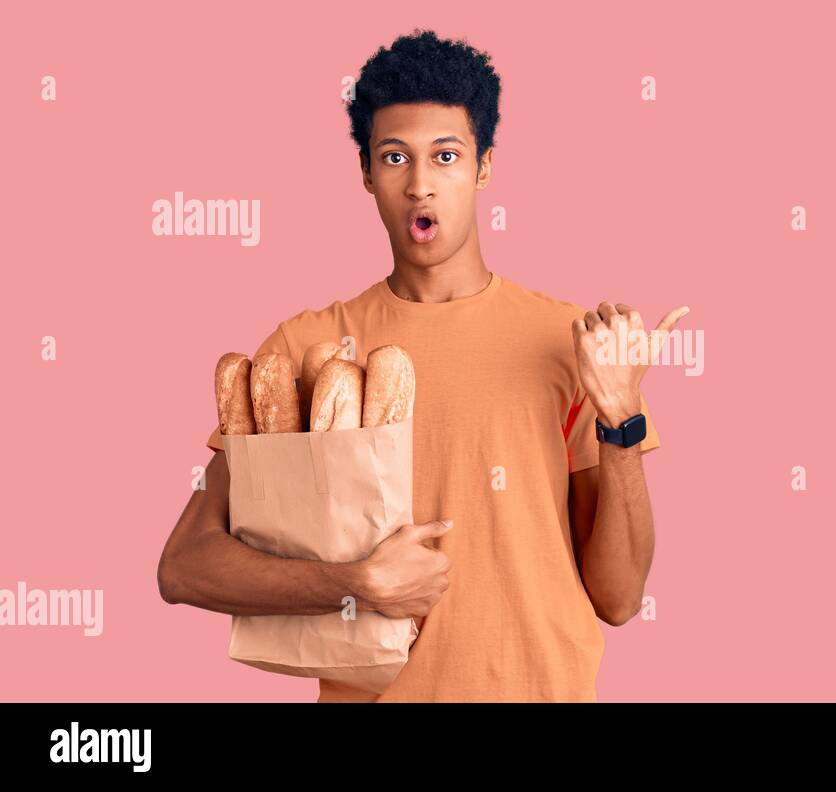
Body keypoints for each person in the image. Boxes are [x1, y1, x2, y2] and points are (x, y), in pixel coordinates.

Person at [157, 29, 686, 702]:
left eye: (445, 156)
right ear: (367, 174)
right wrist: (354, 583)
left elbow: (619, 597)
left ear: (484, 168)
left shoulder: (567, 340)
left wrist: (622, 420)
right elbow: (185, 566)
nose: (419, 185)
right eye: (395, 157)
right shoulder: (305, 349)